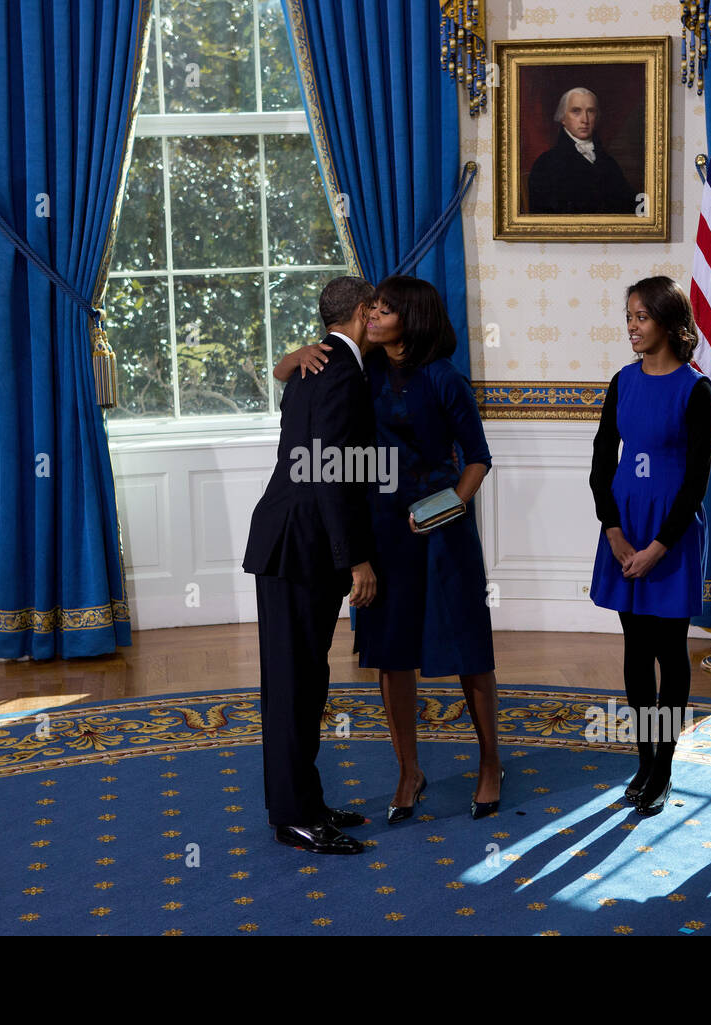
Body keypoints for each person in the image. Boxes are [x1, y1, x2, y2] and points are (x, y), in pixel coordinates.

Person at [276, 275, 502, 823]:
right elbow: (287, 374)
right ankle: (409, 770)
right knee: (388, 652)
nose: (371, 316)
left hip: (441, 530)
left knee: (468, 648)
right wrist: (294, 355)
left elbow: (478, 457)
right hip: (379, 531)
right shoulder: (362, 367)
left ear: (413, 318)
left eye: (383, 309)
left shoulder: (446, 379)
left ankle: (491, 764)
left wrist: (450, 505)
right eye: (370, 308)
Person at [242, 276, 378, 856]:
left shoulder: (312, 366)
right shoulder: (339, 373)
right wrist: (359, 562)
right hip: (299, 547)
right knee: (295, 685)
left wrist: (290, 358)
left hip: (294, 543)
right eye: (377, 309)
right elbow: (329, 473)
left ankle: (305, 801)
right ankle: (294, 817)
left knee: (305, 681)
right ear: (364, 314)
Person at [589, 276, 711, 816]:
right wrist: (614, 532)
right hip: (624, 531)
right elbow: (600, 462)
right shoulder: (622, 380)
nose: (632, 327)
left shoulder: (695, 388)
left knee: (669, 650)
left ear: (668, 323)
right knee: (636, 652)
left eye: (641, 317)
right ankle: (643, 760)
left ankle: (664, 766)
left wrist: (660, 546)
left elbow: (697, 481)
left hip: (671, 537)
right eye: (629, 316)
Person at [528, 87, 637, 215]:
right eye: (576, 111)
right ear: (563, 118)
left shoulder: (608, 161)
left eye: (590, 111)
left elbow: (629, 203)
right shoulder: (546, 163)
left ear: (596, 117)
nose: (585, 120)